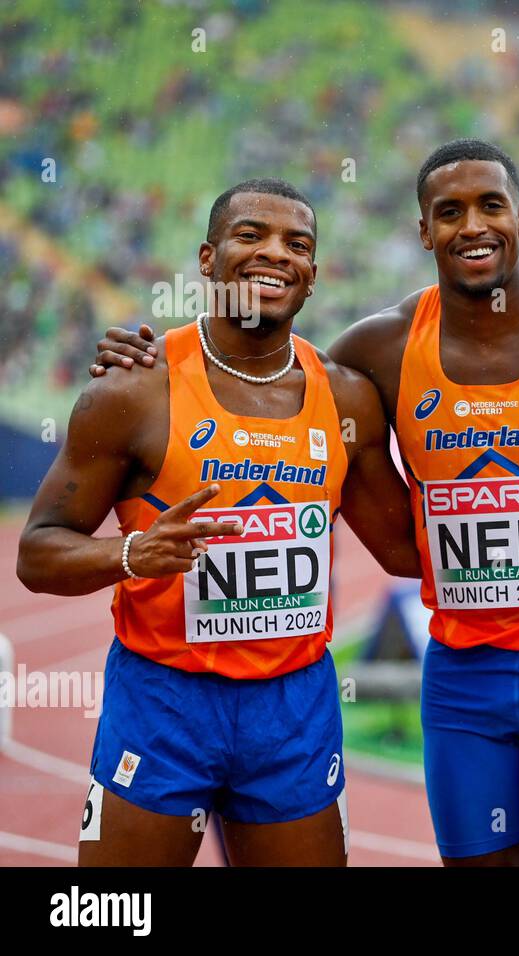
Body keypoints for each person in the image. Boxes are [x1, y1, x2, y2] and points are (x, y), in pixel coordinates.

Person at [93, 142, 519, 866]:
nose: (471, 226)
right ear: (424, 232)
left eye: (490, 205)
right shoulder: (376, 353)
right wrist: (143, 365)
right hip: (462, 676)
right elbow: (263, 372)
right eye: (447, 212)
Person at [19, 179, 422, 866]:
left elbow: (409, 552)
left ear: (314, 276)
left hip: (292, 710)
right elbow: (38, 554)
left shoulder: (346, 398)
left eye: (297, 244)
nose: (275, 254)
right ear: (207, 259)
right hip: (163, 704)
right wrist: (133, 553)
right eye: (250, 235)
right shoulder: (133, 391)